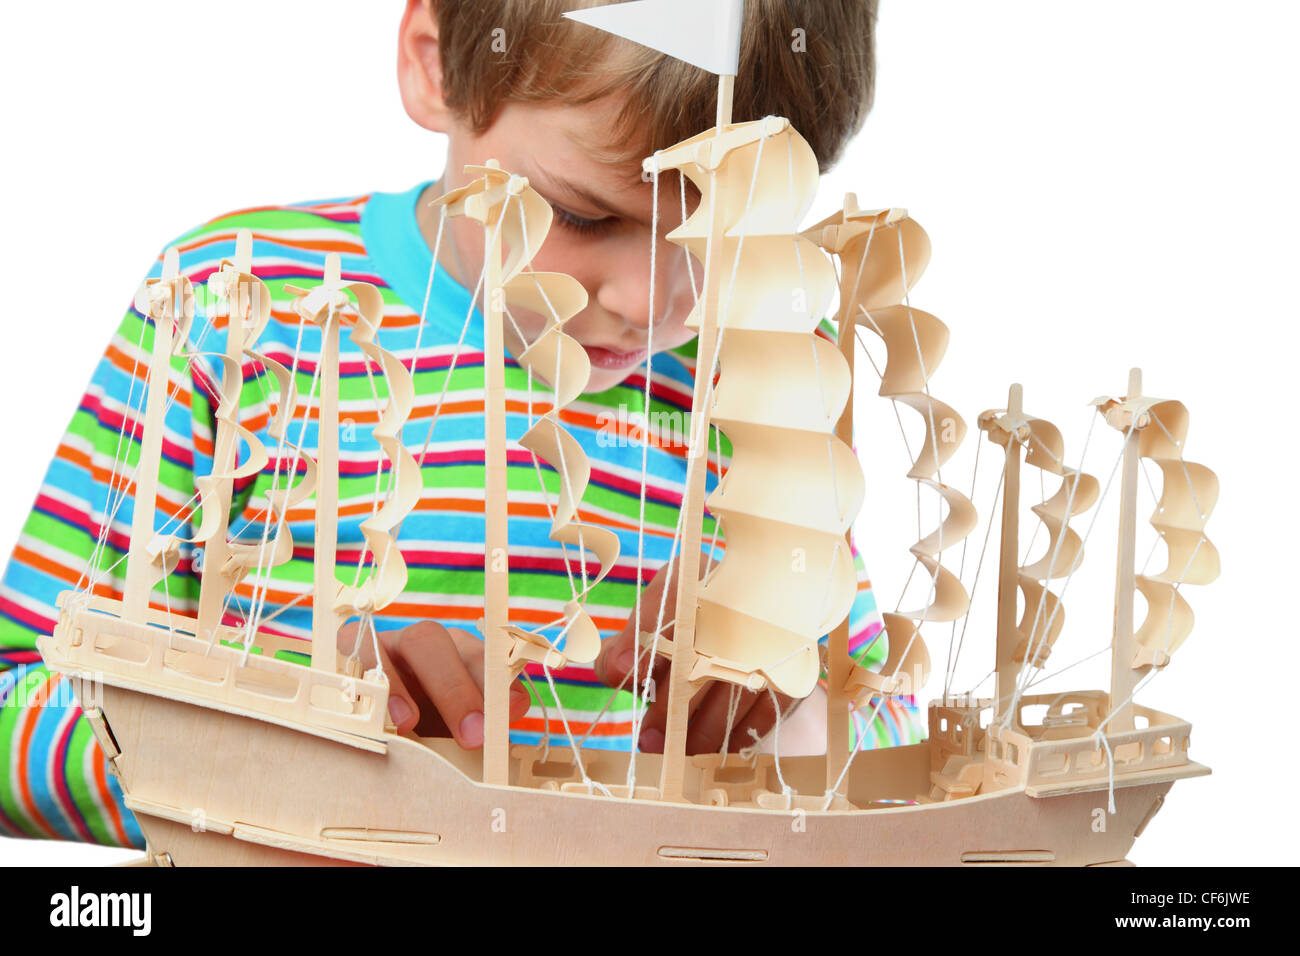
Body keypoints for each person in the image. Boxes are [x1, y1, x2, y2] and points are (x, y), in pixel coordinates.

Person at [0, 0, 921, 851]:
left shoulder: (765, 362)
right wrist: (274, 720)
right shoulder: (235, 303)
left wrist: (789, 706)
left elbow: (882, 719)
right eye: (580, 214)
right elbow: (17, 704)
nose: (652, 303)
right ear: (437, 67)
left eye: (731, 242)